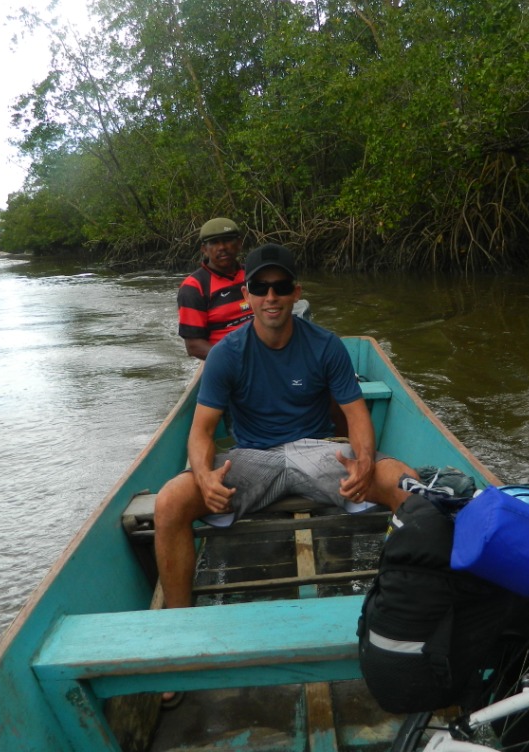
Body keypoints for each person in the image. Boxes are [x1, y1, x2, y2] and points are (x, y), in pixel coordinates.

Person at [154, 243, 419, 611]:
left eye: (281, 286)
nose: (271, 296)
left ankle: (406, 608)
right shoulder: (225, 354)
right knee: (168, 503)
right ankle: (177, 621)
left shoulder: (326, 346)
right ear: (247, 295)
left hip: (318, 450)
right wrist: (202, 475)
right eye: (260, 288)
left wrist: (365, 461)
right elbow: (201, 432)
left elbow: (357, 416)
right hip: (251, 459)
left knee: (408, 485)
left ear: (297, 292)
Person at [177, 217, 253, 359]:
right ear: (204, 249)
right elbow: (194, 345)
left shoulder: (255, 274)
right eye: (214, 242)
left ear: (239, 244)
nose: (222, 247)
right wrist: (236, 359)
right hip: (225, 358)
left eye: (228, 240)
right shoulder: (193, 287)